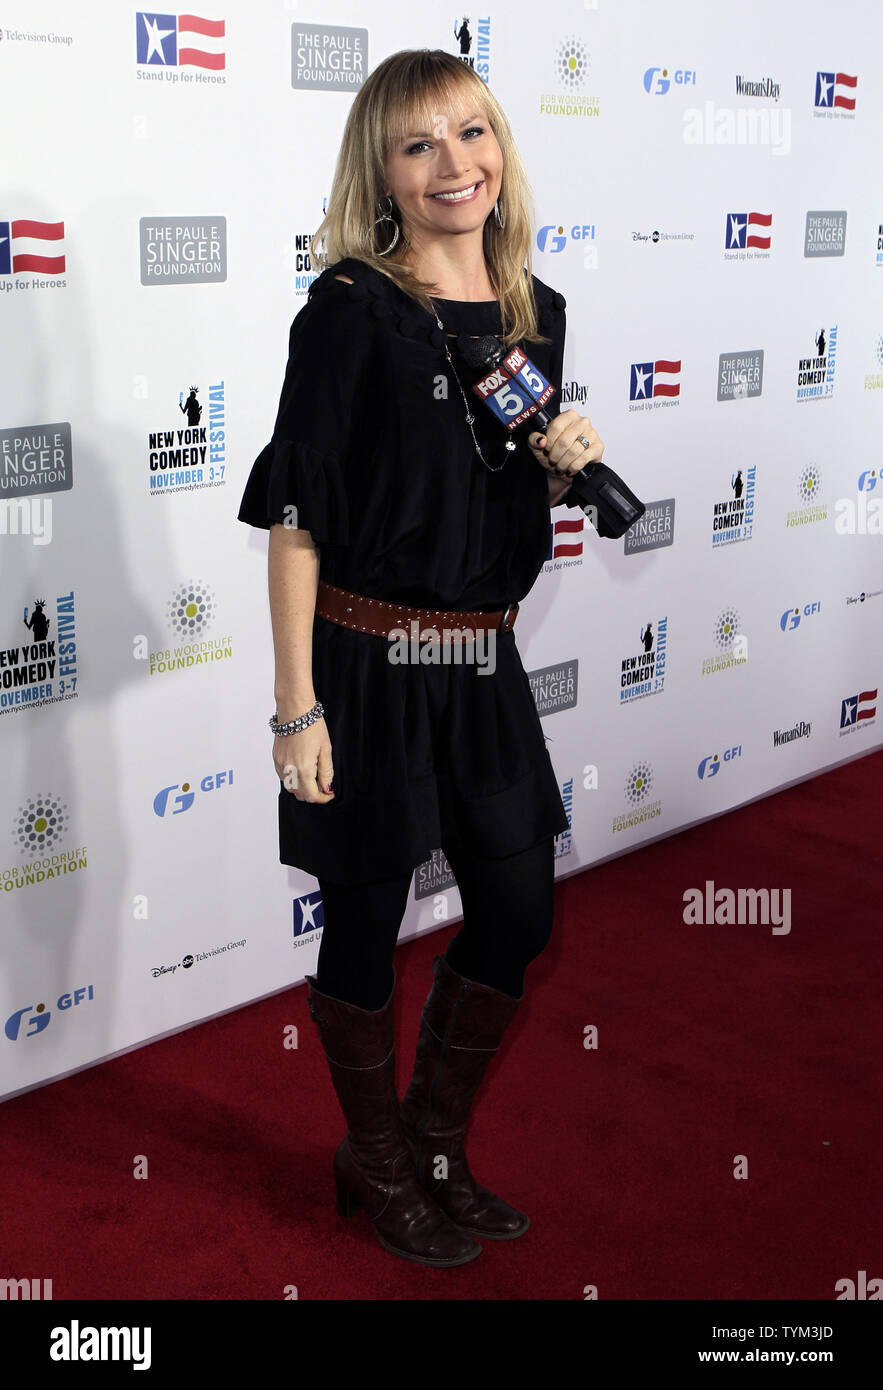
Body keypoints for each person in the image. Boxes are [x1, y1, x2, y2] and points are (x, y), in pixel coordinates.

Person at [237, 48, 605, 1269]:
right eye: (419, 144)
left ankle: (433, 1138)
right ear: (383, 174)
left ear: (500, 146)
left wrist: (559, 462)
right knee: (363, 917)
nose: (455, 163)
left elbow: (489, 486)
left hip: (481, 662)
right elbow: (299, 516)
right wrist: (296, 708)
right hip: (363, 659)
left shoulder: (531, 311)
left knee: (517, 910)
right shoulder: (348, 312)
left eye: (471, 132)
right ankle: (377, 1157)